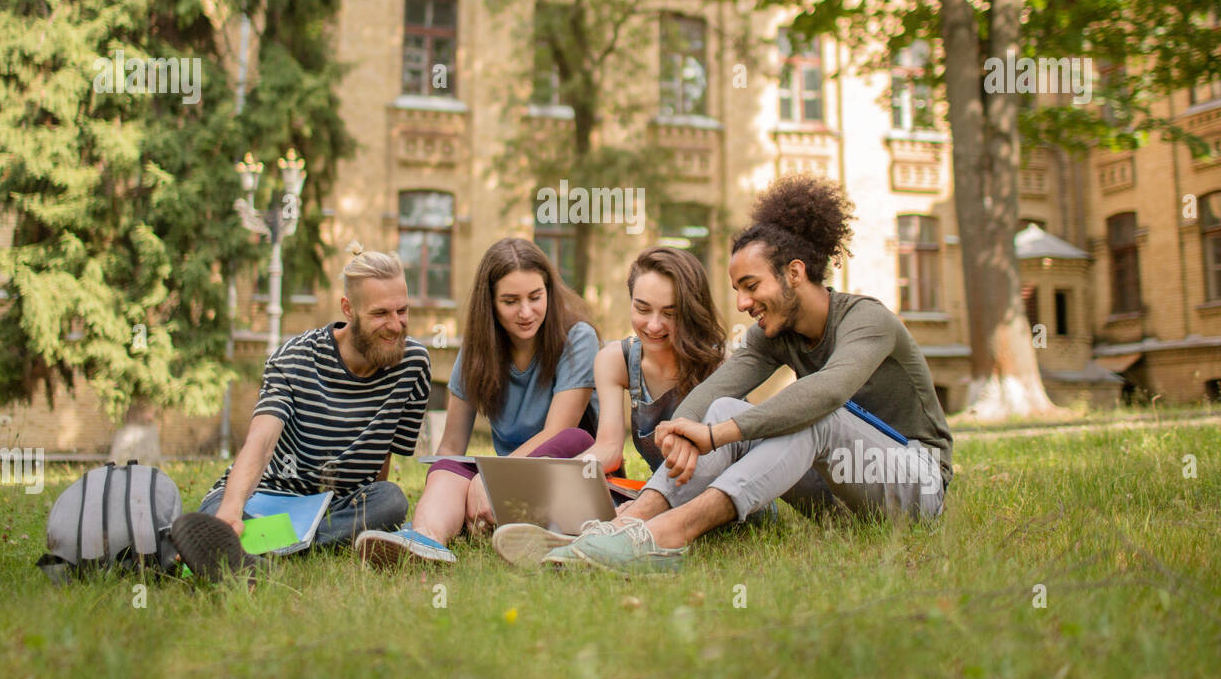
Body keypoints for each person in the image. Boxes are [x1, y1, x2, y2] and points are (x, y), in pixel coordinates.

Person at [544, 174, 953, 574]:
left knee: (815, 416)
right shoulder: (773, 334)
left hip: (915, 484)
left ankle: (667, 535)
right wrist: (682, 428)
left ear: (794, 273)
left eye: (751, 286)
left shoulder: (868, 320)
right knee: (722, 407)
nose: (742, 303)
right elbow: (715, 393)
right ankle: (627, 525)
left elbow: (826, 393)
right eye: (738, 289)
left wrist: (716, 435)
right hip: (839, 504)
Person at [170, 246, 430, 578]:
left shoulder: (414, 364)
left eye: (402, 310)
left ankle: (244, 552)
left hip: (331, 507)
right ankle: (241, 539)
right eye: (381, 314)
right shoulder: (296, 357)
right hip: (267, 495)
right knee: (218, 509)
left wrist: (373, 516)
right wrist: (232, 512)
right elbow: (261, 441)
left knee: (391, 501)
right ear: (348, 309)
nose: (396, 325)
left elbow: (382, 456)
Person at [356, 237, 599, 567]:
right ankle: (425, 540)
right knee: (448, 466)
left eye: (535, 297)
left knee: (575, 438)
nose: (526, 312)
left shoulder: (578, 338)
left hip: (567, 477)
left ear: (549, 293)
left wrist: (489, 479)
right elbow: (451, 443)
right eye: (511, 301)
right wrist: (448, 484)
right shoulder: (477, 351)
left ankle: (520, 523)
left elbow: (559, 433)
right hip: (510, 484)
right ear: (491, 304)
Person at [490, 245, 727, 567]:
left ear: (691, 310)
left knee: (633, 509)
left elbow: (729, 456)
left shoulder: (716, 364)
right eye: (642, 309)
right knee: (600, 496)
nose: (654, 326)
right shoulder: (616, 359)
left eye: (670, 314)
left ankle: (603, 537)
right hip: (661, 495)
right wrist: (546, 482)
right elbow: (609, 450)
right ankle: (585, 536)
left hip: (719, 497)